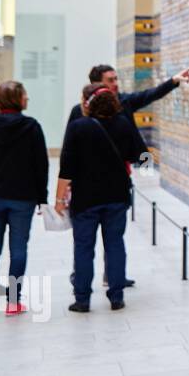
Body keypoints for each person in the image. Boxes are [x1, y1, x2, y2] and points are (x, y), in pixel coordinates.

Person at [65, 63, 189, 290]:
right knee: (90, 241)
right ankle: (99, 286)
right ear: (96, 84)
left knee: (107, 241)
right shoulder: (79, 112)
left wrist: (173, 81)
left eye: (115, 79)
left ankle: (104, 283)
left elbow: (149, 95)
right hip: (95, 186)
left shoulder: (124, 104)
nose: (115, 84)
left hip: (112, 184)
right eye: (109, 80)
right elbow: (70, 151)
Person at [56, 84, 137, 312]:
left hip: (85, 198)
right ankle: (116, 296)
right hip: (116, 196)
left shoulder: (78, 127)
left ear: (87, 102)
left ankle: (82, 299)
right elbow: (141, 154)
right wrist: (142, 169)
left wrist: (59, 199)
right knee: (115, 245)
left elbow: (66, 166)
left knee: (83, 247)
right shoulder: (123, 124)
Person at [0, 80, 47, 318]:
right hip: (22, 197)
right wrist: (41, 197)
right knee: (18, 249)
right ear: (17, 99)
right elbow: (40, 165)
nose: (27, 98)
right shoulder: (32, 127)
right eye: (25, 94)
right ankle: (14, 302)